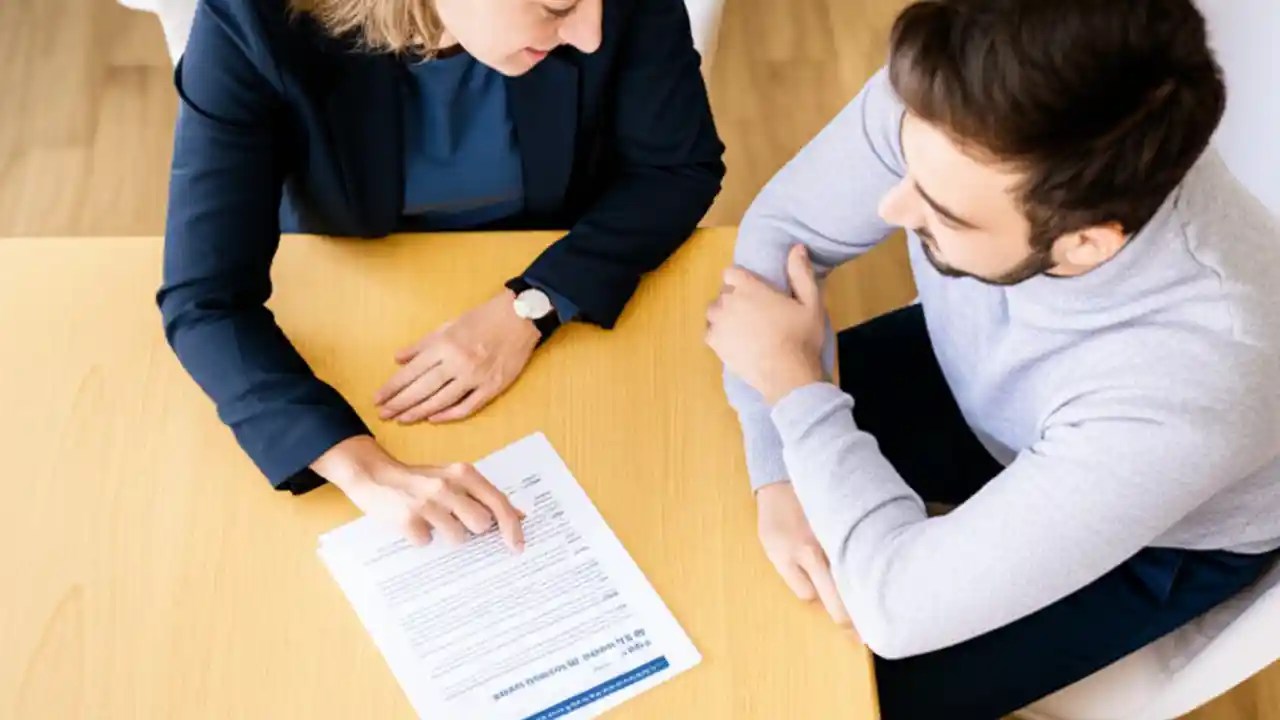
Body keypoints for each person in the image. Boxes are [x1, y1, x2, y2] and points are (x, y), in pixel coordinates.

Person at [705, 0, 1280, 716]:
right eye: (906, 159)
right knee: (695, 455)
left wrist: (794, 388)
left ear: (1083, 245)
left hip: (1158, 530)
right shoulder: (965, 108)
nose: (892, 208)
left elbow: (897, 607)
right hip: (980, 383)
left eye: (942, 212)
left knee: (802, 691)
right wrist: (777, 475)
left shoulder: (1200, 372)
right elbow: (782, 234)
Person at [158, 0, 724, 547]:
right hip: (359, 288)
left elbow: (677, 168)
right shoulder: (251, 17)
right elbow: (206, 298)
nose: (591, 36)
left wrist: (534, 303)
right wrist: (362, 469)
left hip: (558, 272)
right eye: (555, 9)